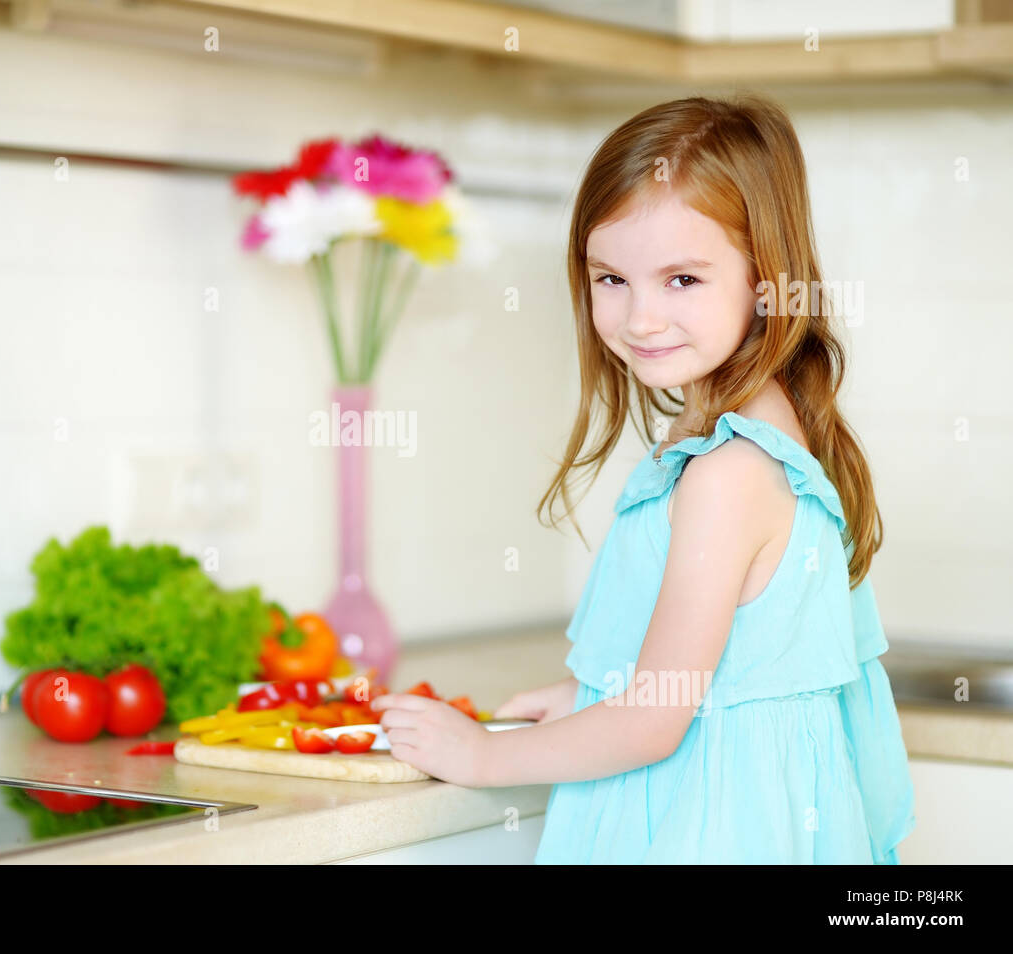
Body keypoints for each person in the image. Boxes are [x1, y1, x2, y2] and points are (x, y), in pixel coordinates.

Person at [370, 93, 916, 864]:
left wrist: (484, 758)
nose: (640, 319)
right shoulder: (769, 429)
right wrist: (592, 697)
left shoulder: (728, 473)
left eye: (683, 280)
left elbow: (656, 722)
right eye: (610, 278)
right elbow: (735, 674)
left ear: (767, 279)